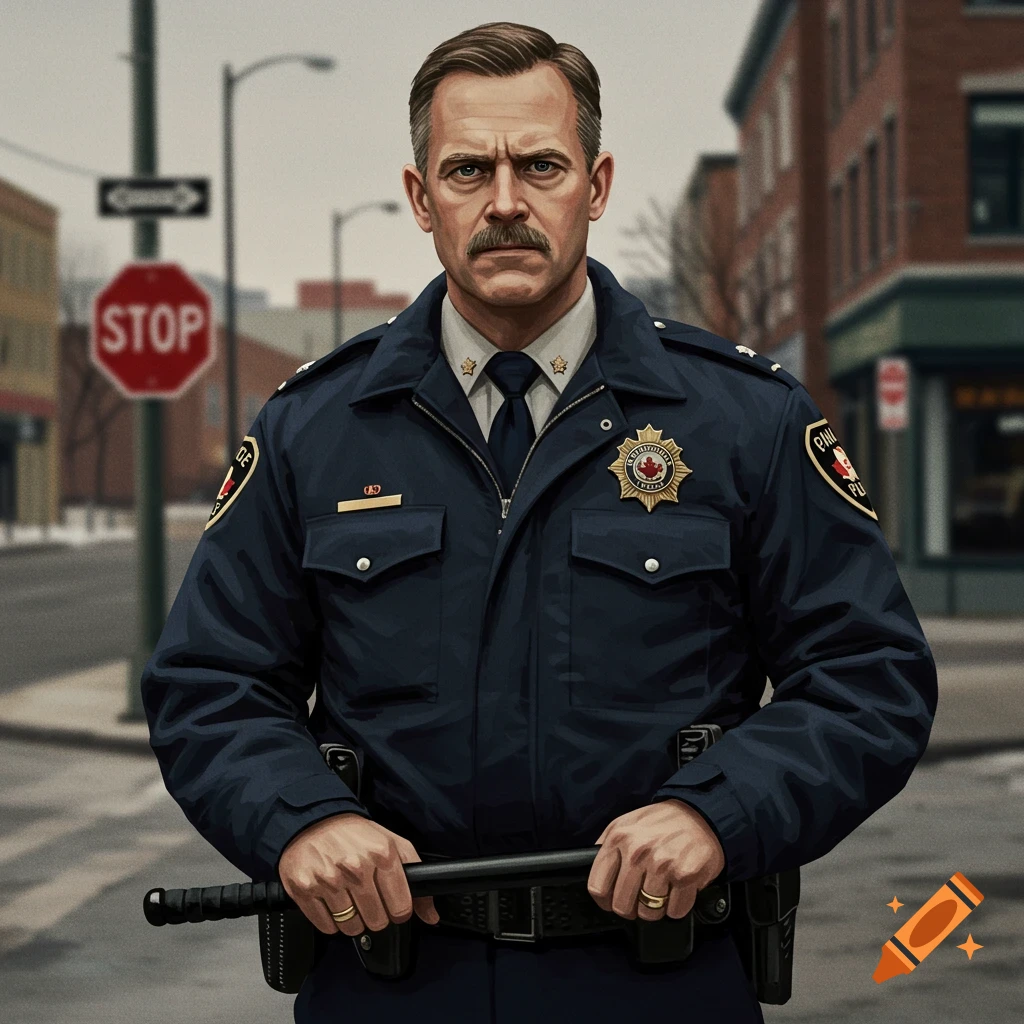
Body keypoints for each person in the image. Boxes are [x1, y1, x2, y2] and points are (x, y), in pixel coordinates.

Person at [142, 21, 937, 1024]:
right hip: (389, 986)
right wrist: (303, 822)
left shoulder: (744, 420)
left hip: (654, 984)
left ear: (595, 185)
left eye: (541, 165)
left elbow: (869, 675)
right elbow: (211, 681)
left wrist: (717, 809)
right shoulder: (316, 429)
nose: (506, 202)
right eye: (469, 169)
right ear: (420, 195)